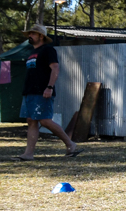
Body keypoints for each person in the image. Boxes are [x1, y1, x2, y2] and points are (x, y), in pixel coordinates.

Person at [14, 24, 81, 160]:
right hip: (29, 92)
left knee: (44, 120)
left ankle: (70, 144)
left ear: (41, 36)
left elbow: (55, 68)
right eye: (29, 34)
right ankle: (28, 154)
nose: (30, 36)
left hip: (43, 91)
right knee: (31, 121)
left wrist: (49, 87)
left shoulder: (48, 50)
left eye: (33, 34)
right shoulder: (32, 53)